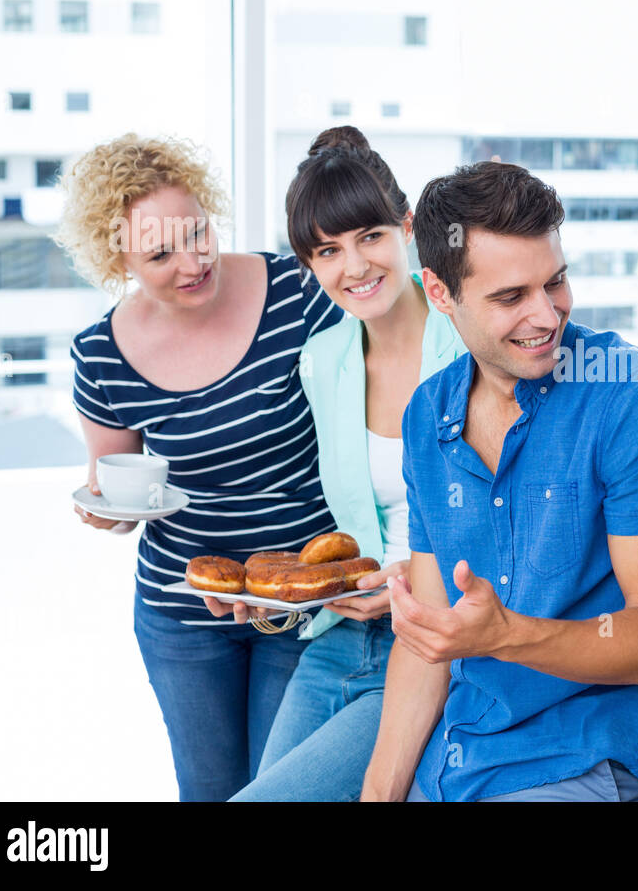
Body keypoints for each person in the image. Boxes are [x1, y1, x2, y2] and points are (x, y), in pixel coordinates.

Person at [360, 161, 638, 802]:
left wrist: (505, 635)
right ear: (439, 292)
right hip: (460, 758)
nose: (547, 315)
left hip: (589, 768)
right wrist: (378, 793)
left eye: (555, 282)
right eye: (510, 297)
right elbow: (428, 633)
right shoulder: (426, 416)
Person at [59, 133, 343, 801]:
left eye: (197, 233)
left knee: (282, 790)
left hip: (298, 595)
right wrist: (103, 512)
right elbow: (120, 492)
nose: (193, 262)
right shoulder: (101, 354)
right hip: (184, 612)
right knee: (211, 792)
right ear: (118, 258)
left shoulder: (296, 292)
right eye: (160, 254)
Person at [226, 126, 467, 801]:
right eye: (327, 251)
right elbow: (351, 521)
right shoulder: (321, 361)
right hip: (340, 636)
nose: (353, 267)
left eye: (368, 237)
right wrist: (270, 592)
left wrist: (408, 578)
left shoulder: (471, 339)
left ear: (407, 227)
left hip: (432, 641)